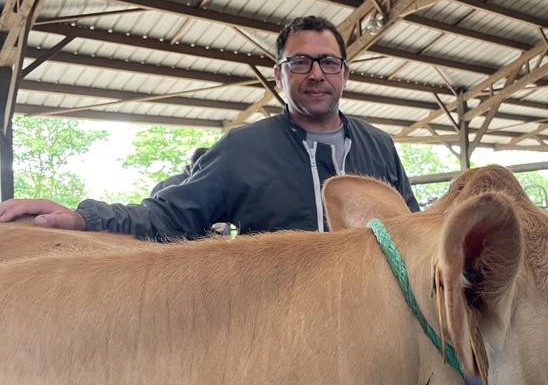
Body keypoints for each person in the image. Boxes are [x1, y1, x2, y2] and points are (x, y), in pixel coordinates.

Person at [0, 16, 419, 240]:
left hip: (373, 324)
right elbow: (168, 218)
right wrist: (83, 216)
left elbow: (413, 228)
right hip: (278, 328)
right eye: (299, 62)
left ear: (344, 73)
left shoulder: (379, 146)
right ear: (279, 75)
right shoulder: (243, 149)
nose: (315, 74)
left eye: (328, 62)